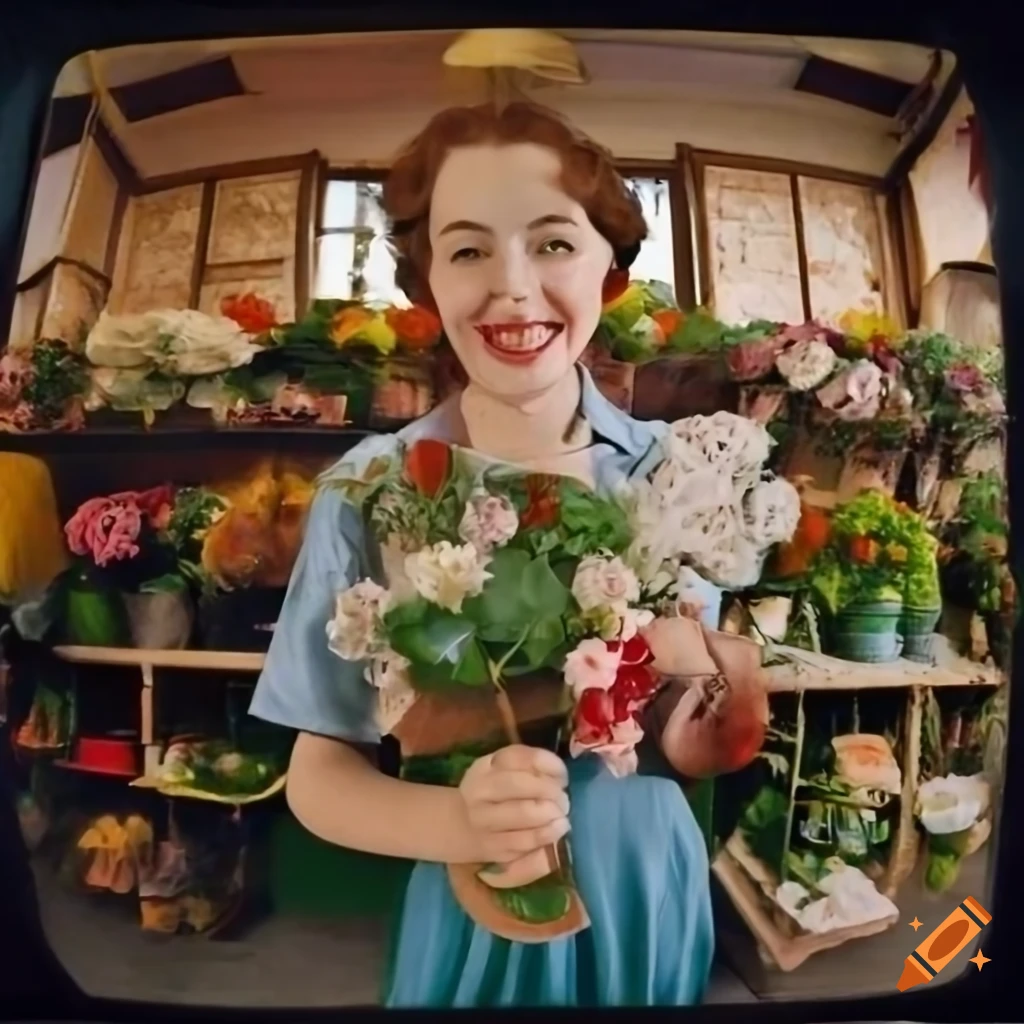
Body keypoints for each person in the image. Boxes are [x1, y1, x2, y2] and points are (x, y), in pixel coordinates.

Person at [249, 102, 727, 1007]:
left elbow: (696, 730)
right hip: (480, 891)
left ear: (611, 273)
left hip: (648, 885)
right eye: (467, 249)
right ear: (426, 282)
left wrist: (714, 687)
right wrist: (457, 820)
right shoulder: (369, 486)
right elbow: (318, 777)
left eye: (552, 244)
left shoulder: (676, 472)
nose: (512, 287)